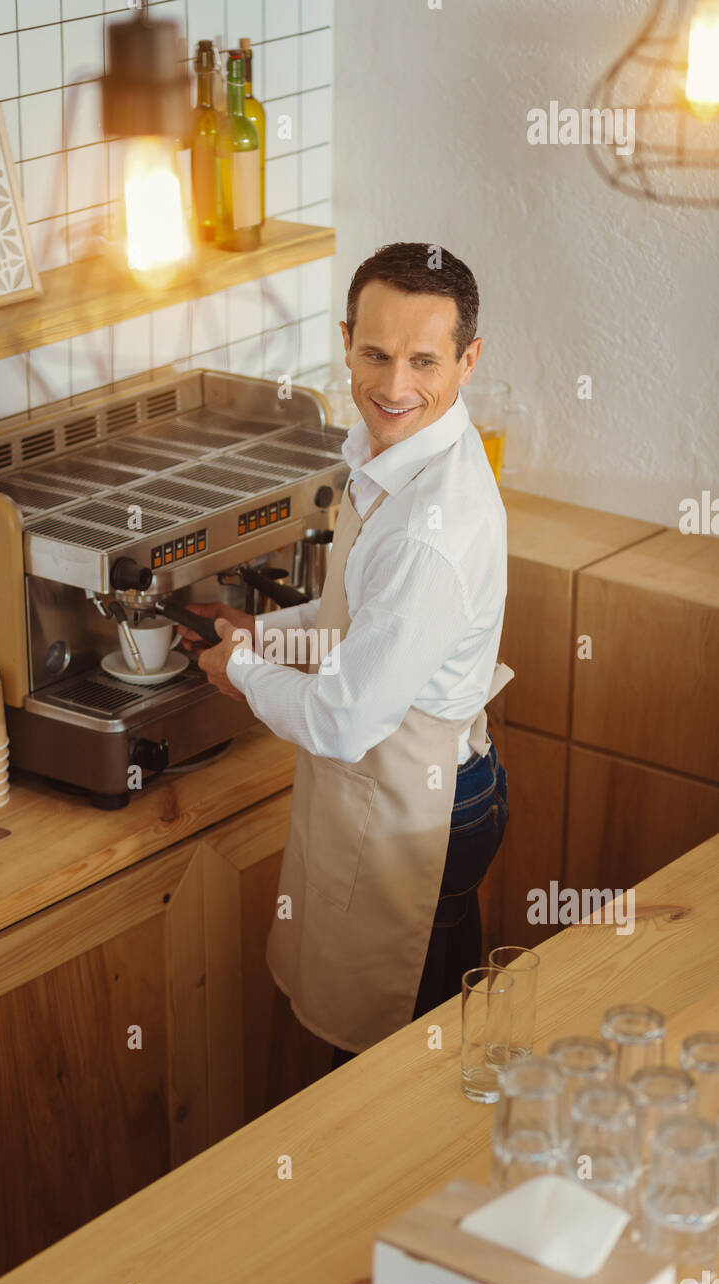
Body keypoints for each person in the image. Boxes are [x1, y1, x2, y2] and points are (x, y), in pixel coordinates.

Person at [176, 242, 512, 1067]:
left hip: (424, 809)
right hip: (433, 786)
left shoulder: (431, 531)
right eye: (376, 353)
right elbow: (364, 623)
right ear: (346, 339)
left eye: (424, 360)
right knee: (427, 1039)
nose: (394, 386)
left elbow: (343, 719)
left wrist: (242, 671)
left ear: (469, 360)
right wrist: (267, 634)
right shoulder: (395, 456)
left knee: (396, 1069)